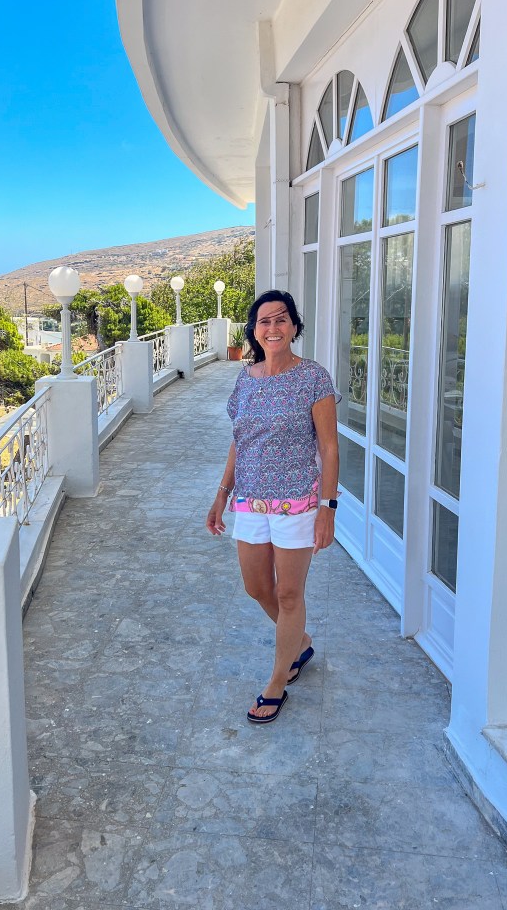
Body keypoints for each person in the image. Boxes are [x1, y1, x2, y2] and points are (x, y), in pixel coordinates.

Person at [206, 290, 339, 723]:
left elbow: (330, 447)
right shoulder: (246, 378)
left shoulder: (313, 377)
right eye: (264, 321)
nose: (273, 328)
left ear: (294, 327)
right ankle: (299, 642)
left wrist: (327, 507)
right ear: (255, 330)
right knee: (256, 587)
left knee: (288, 592)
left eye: (281, 319)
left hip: (298, 503)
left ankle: (277, 682)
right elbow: (238, 440)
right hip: (250, 500)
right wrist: (222, 493)